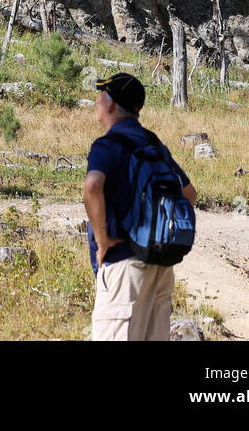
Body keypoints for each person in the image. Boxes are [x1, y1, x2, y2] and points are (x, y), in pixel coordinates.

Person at [83, 71, 197, 342]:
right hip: (160, 267)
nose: (97, 102)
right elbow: (189, 194)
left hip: (125, 266)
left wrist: (102, 241)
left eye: (100, 96)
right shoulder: (153, 143)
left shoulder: (108, 144)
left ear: (110, 103)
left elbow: (92, 186)